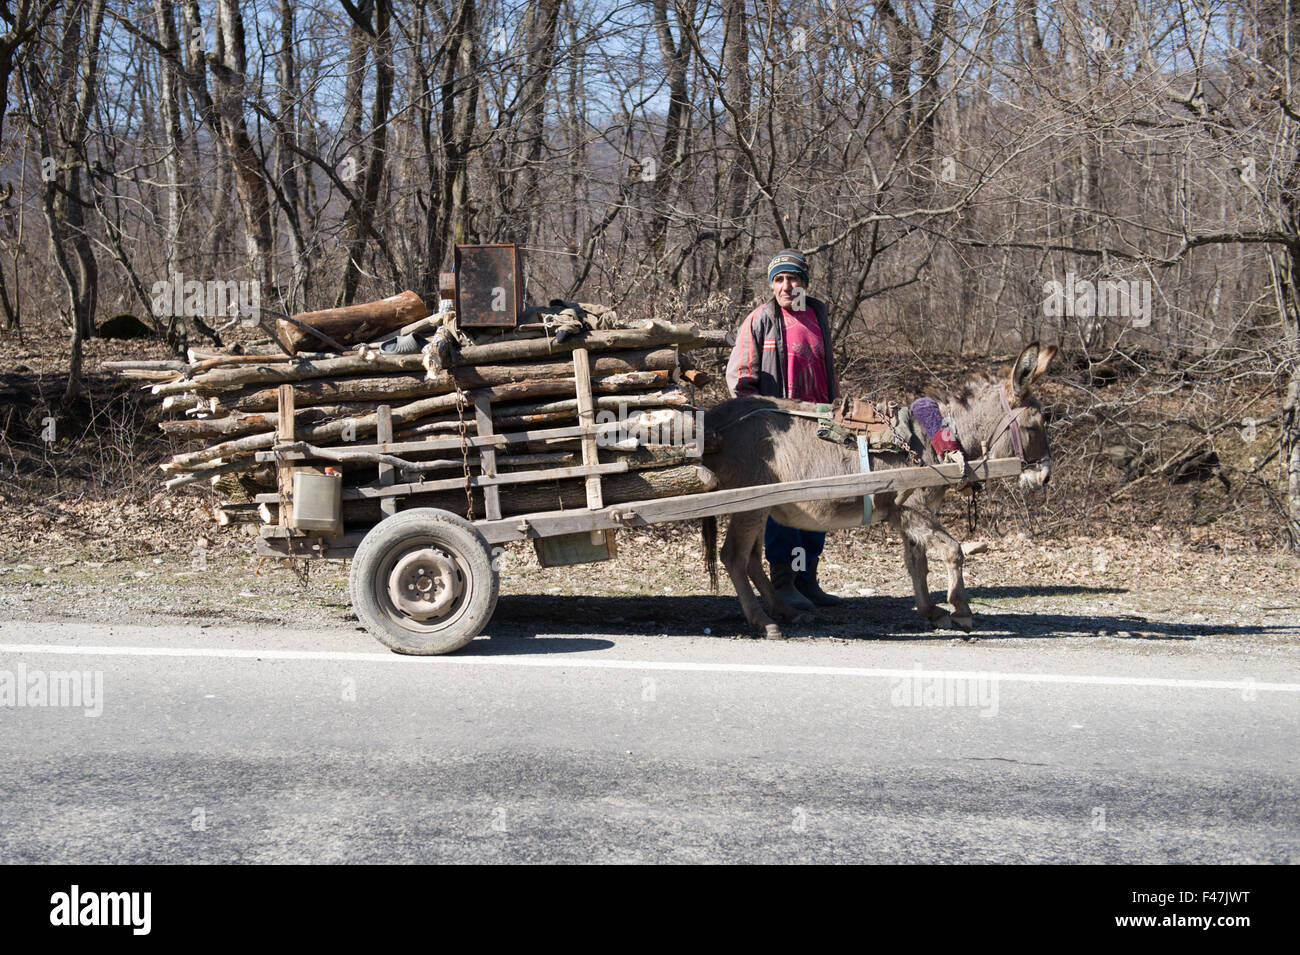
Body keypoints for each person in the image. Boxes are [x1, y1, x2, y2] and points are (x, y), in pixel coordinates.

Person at [724, 249, 840, 609]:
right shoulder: (761, 320)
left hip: (819, 427)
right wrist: (759, 417)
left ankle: (807, 580)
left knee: (818, 504)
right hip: (781, 432)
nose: (786, 286)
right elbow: (740, 377)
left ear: (805, 282)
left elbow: (827, 372)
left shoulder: (816, 316)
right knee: (785, 509)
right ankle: (784, 580)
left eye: (792, 279)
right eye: (779, 280)